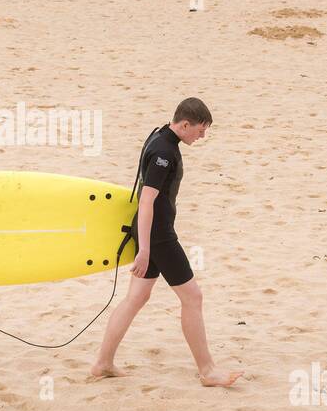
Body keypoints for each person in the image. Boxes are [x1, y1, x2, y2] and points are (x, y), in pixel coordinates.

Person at [91, 98, 243, 387]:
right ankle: (208, 370)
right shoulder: (164, 152)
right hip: (158, 236)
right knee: (192, 298)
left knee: (136, 298)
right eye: (200, 130)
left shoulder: (159, 135)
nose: (202, 136)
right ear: (185, 124)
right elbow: (146, 201)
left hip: (149, 232)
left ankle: (102, 363)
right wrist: (146, 251)